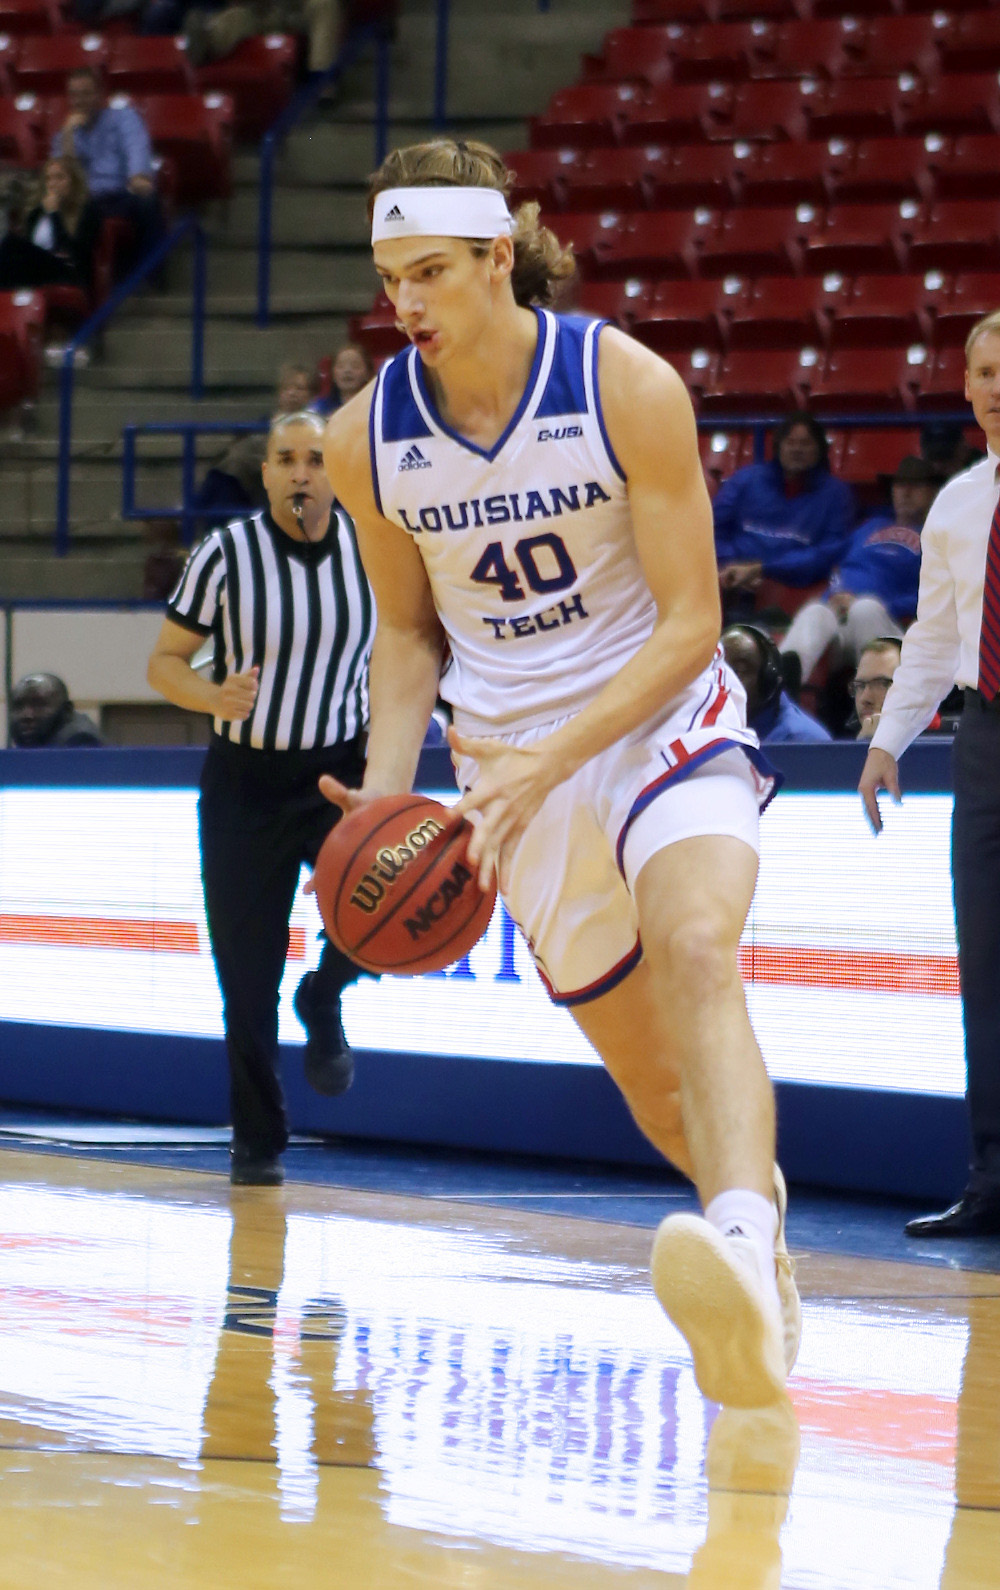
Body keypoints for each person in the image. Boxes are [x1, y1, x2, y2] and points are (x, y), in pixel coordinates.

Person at [318, 137, 802, 1410]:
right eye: (388, 276)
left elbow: (695, 621)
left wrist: (552, 760)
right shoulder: (368, 438)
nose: (406, 302)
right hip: (498, 770)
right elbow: (408, 635)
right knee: (647, 1077)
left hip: (653, 716)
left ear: (496, 255)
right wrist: (384, 798)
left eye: (430, 270)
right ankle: (759, 1284)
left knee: (696, 944)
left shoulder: (623, 385)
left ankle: (743, 1244)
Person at [858, 306, 1000, 1247]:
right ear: (968, 387)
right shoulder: (956, 502)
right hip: (983, 743)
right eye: (986, 374)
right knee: (987, 974)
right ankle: (996, 1185)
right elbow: (935, 638)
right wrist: (888, 739)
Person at [147, 409, 376, 1186]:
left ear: (335, 471)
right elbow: (164, 664)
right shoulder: (225, 555)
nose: (303, 472)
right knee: (245, 980)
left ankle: (326, 992)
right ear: (268, 473)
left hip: (340, 774)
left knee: (383, 911)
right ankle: (259, 1142)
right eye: (288, 459)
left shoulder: (377, 547)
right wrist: (214, 695)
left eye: (316, 458)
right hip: (245, 784)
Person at [780, 455, 941, 691]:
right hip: (838, 619)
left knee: (865, 609)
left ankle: (881, 705)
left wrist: (885, 605)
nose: (905, 493)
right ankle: (778, 692)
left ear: (934, 492)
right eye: (900, 485)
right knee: (815, 611)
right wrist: (763, 566)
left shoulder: (938, 536)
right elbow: (823, 557)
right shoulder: (870, 526)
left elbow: (939, 598)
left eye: (915, 486)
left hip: (892, 626)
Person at [712, 412, 856, 622]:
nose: (797, 449)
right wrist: (732, 565)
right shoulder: (745, 480)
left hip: (800, 595)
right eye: (791, 442)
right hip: (735, 585)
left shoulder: (836, 494)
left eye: (805, 443)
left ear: (819, 450)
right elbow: (712, 529)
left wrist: (762, 569)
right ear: (779, 446)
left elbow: (829, 552)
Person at [51, 67, 165, 266]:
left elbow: (135, 146)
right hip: (86, 202)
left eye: (86, 94)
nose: (79, 101)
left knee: (147, 200)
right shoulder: (65, 135)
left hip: (120, 195)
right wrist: (69, 134)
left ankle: (150, 275)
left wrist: (138, 175)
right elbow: (62, 175)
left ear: (99, 95)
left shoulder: (122, 117)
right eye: (74, 95)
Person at [194, 361, 318, 526]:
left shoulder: (314, 425)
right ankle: (204, 528)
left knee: (233, 464)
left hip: (288, 478)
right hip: (252, 480)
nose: (292, 393)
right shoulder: (264, 422)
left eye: (299, 388)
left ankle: (185, 521)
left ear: (310, 394)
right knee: (222, 478)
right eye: (287, 388)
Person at [0, 157, 100, 292]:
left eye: (60, 178)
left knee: (13, 245)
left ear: (74, 182)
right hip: (38, 270)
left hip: (69, 273)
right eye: (48, 179)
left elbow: (75, 255)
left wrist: (54, 214)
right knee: (9, 248)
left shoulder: (88, 211)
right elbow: (31, 247)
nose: (53, 184)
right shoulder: (37, 213)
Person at [721, 624, 832, 745]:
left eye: (738, 671)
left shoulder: (804, 741)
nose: (723, 681)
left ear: (767, 680)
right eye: (718, 670)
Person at [183, 0, 343, 73]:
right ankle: (207, 42)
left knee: (325, 4)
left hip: (297, 12)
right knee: (236, 16)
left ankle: (321, 76)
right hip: (263, 15)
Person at [8, 673, 105, 747]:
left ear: (66, 710)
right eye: (18, 706)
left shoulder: (80, 741)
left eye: (38, 705)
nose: (27, 715)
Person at [312, 341, 372, 418]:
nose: (347, 371)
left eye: (355, 366)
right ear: (333, 373)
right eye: (341, 366)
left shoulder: (376, 405)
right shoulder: (319, 407)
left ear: (367, 373)